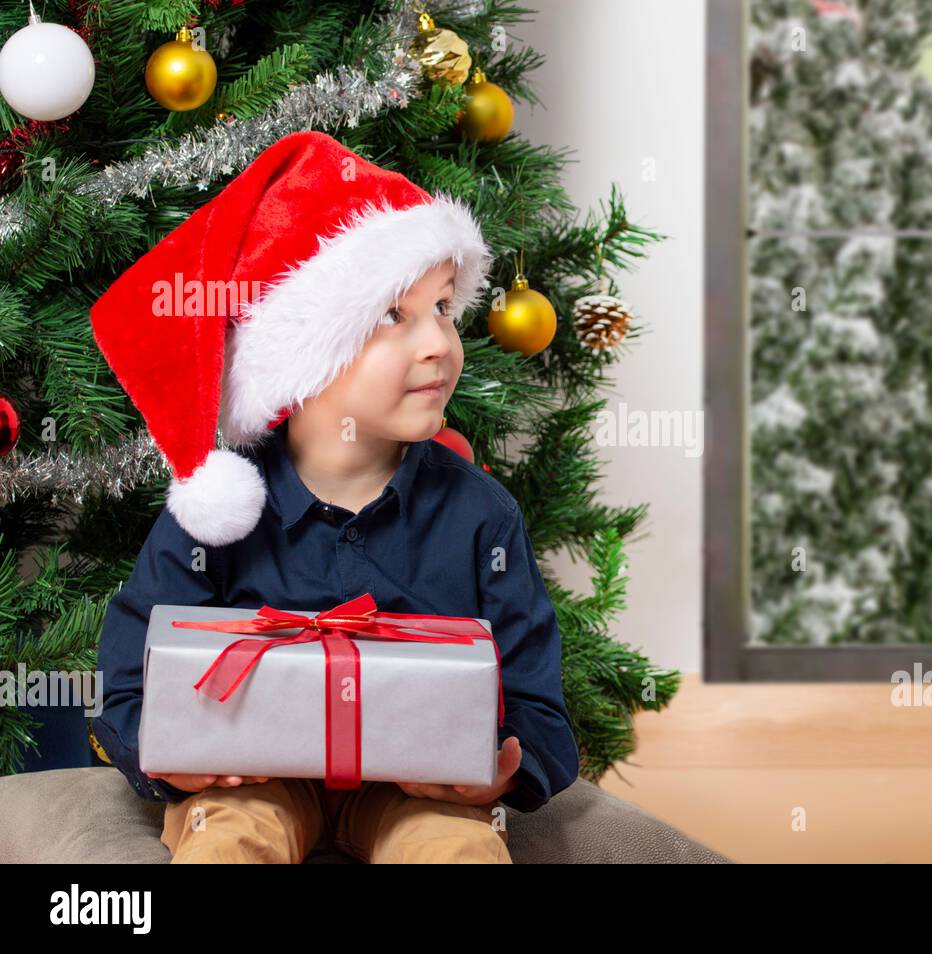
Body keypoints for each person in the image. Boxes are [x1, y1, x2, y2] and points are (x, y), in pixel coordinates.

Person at [87, 130, 580, 863]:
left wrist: (503, 773)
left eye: (443, 307)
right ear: (301, 352)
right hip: (251, 782)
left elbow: (540, 709)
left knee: (454, 851)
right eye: (393, 316)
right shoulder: (212, 517)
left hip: (418, 790)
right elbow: (128, 686)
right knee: (229, 839)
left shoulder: (483, 516)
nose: (440, 344)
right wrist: (165, 757)